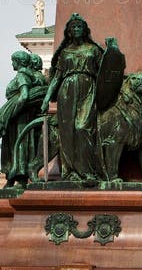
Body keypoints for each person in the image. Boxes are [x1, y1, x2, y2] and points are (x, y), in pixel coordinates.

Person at [40, 14, 104, 181]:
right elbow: (56, 77)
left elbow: (103, 75)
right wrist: (47, 98)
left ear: (84, 30)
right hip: (67, 90)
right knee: (67, 132)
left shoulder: (93, 50)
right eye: (73, 27)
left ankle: (88, 171)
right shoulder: (65, 52)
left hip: (88, 88)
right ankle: (70, 172)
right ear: (68, 31)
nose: (76, 29)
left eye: (79, 27)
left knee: (82, 127)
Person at [0, 51, 48, 187]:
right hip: (20, 118)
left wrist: (10, 113)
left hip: (19, 119)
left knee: (19, 145)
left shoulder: (22, 75)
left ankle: (20, 177)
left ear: (19, 62)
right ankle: (13, 177)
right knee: (18, 146)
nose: (12, 63)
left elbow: (24, 96)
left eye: (13, 61)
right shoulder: (30, 75)